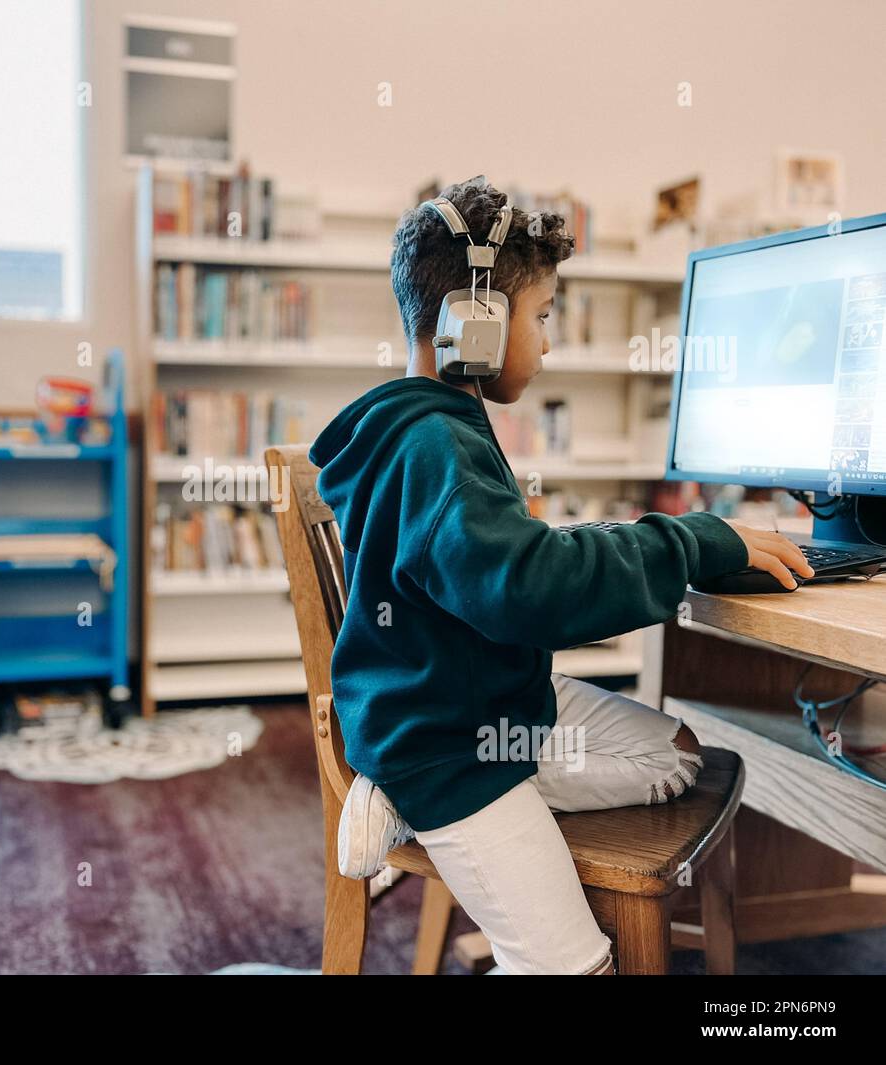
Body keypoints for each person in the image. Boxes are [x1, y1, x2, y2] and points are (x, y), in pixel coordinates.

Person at [309, 175, 813, 975]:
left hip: (475, 695)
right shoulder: (436, 447)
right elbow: (527, 587)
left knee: (680, 755)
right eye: (541, 317)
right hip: (448, 747)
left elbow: (500, 559)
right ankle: (405, 792)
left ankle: (400, 789)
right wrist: (693, 542)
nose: (548, 342)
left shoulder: (431, 426)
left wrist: (653, 541)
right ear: (478, 322)